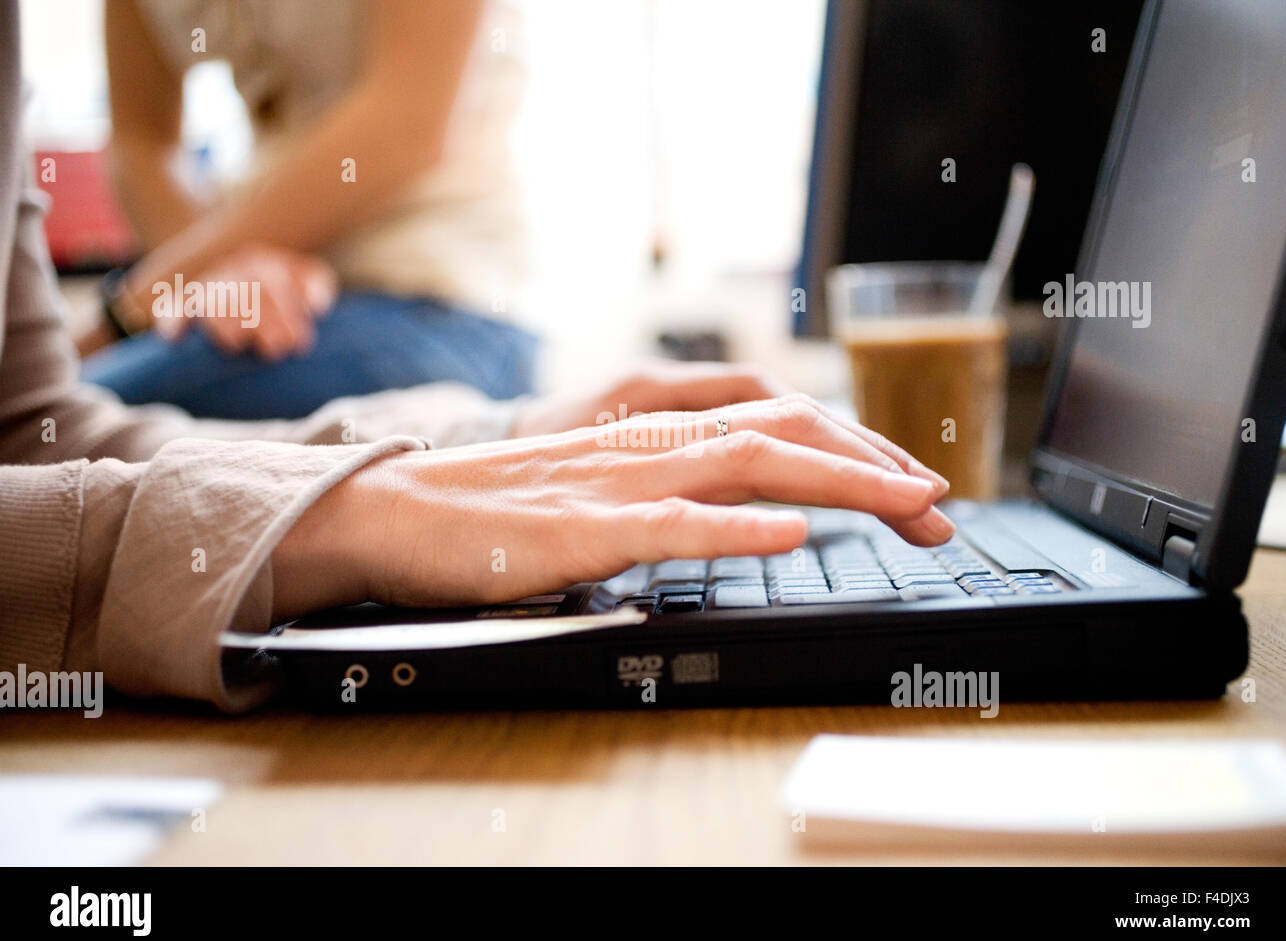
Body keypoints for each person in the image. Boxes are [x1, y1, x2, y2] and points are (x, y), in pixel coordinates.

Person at [0, 0, 953, 711]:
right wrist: (203, 283)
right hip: (258, 313)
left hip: (432, 300)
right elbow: (141, 143)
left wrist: (505, 439)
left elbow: (39, 440)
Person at [76, 0, 537, 418]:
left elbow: (409, 121)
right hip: (262, 304)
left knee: (48, 427)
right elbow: (142, 143)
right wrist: (219, 278)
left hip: (434, 303)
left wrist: (132, 308)